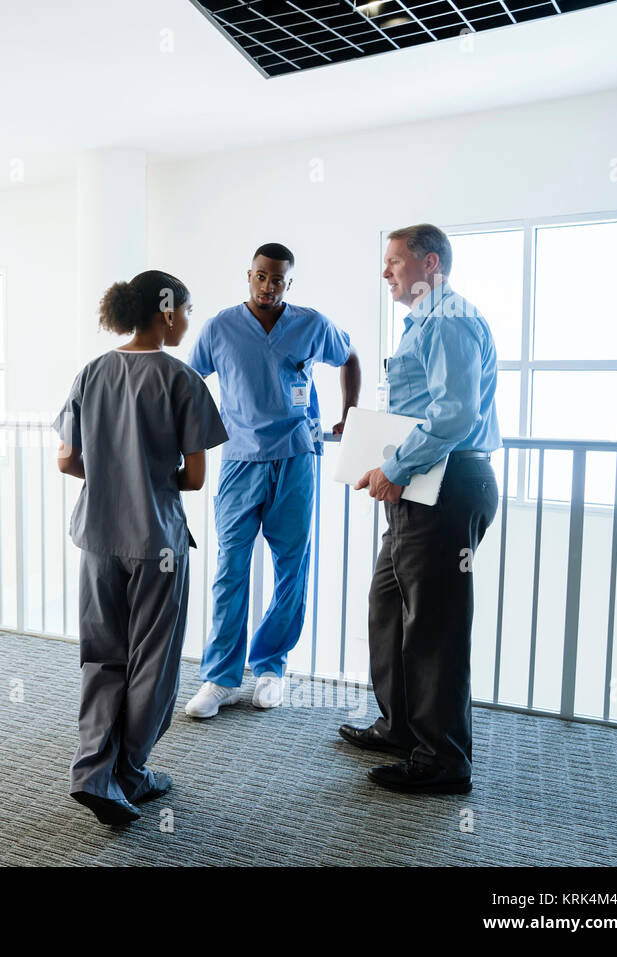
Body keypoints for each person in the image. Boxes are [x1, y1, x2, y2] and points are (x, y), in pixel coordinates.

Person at [54, 269, 228, 826]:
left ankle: (91, 770)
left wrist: (110, 474)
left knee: (103, 655)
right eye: (188, 309)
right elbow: (196, 478)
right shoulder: (182, 381)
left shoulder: (92, 372)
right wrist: (149, 476)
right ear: (166, 312)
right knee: (152, 662)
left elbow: (66, 459)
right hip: (158, 543)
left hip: (99, 537)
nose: (189, 320)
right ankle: (127, 771)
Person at [342, 223, 501, 795]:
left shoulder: (450, 321)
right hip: (422, 488)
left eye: (396, 262)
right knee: (388, 605)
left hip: (446, 484)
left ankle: (442, 760)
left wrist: (395, 468)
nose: (386, 272)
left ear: (430, 264)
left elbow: (453, 415)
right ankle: (400, 727)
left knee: (434, 624)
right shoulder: (425, 323)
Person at [183, 243, 360, 718]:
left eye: (277, 279)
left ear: (289, 282)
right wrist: (197, 431)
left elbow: (350, 356)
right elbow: (189, 379)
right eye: (261, 276)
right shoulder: (220, 327)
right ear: (249, 275)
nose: (268, 286)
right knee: (230, 569)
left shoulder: (311, 323)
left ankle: (270, 667)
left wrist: (350, 415)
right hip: (241, 460)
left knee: (291, 568)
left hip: (297, 458)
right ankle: (219, 678)